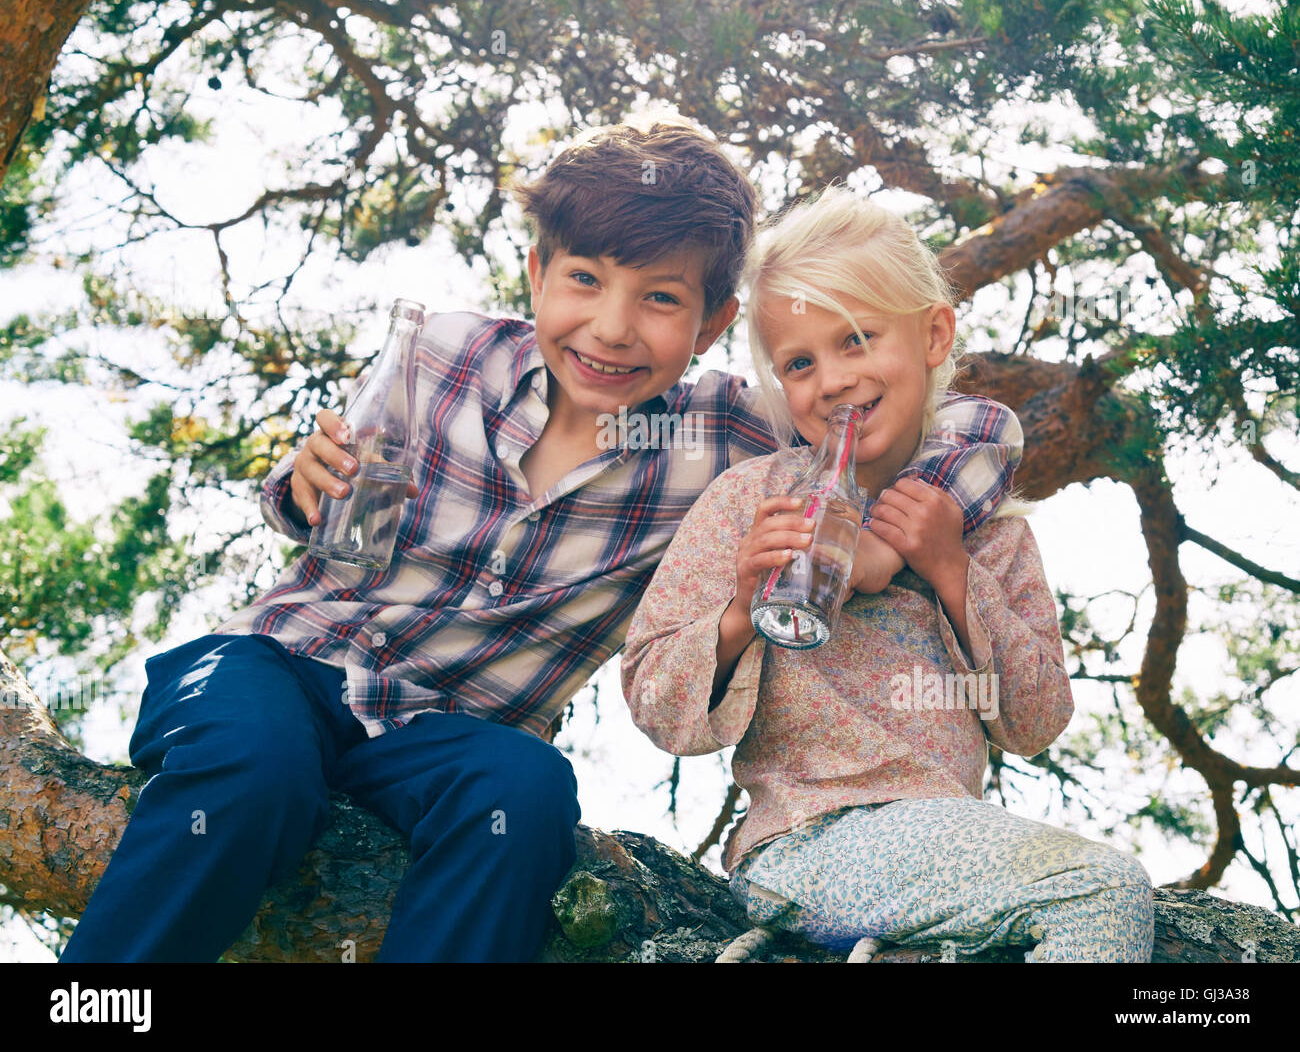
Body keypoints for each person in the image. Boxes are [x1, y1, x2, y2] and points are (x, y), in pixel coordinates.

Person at [60, 117, 1023, 964]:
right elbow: (319, 493)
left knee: (526, 791)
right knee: (253, 771)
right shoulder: (438, 350)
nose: (610, 327)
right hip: (284, 667)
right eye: (585, 281)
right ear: (536, 272)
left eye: (659, 299)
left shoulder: (725, 439)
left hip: (455, 739)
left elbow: (972, 427)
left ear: (714, 321)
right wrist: (299, 484)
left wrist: (902, 534)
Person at [621, 183, 1155, 963]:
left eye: (858, 339)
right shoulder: (752, 502)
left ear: (935, 334)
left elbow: (1036, 719)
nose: (831, 379)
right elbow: (655, 701)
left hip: (941, 850)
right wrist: (740, 608)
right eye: (798, 362)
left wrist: (949, 569)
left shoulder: (989, 535)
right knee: (1100, 888)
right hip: (806, 843)